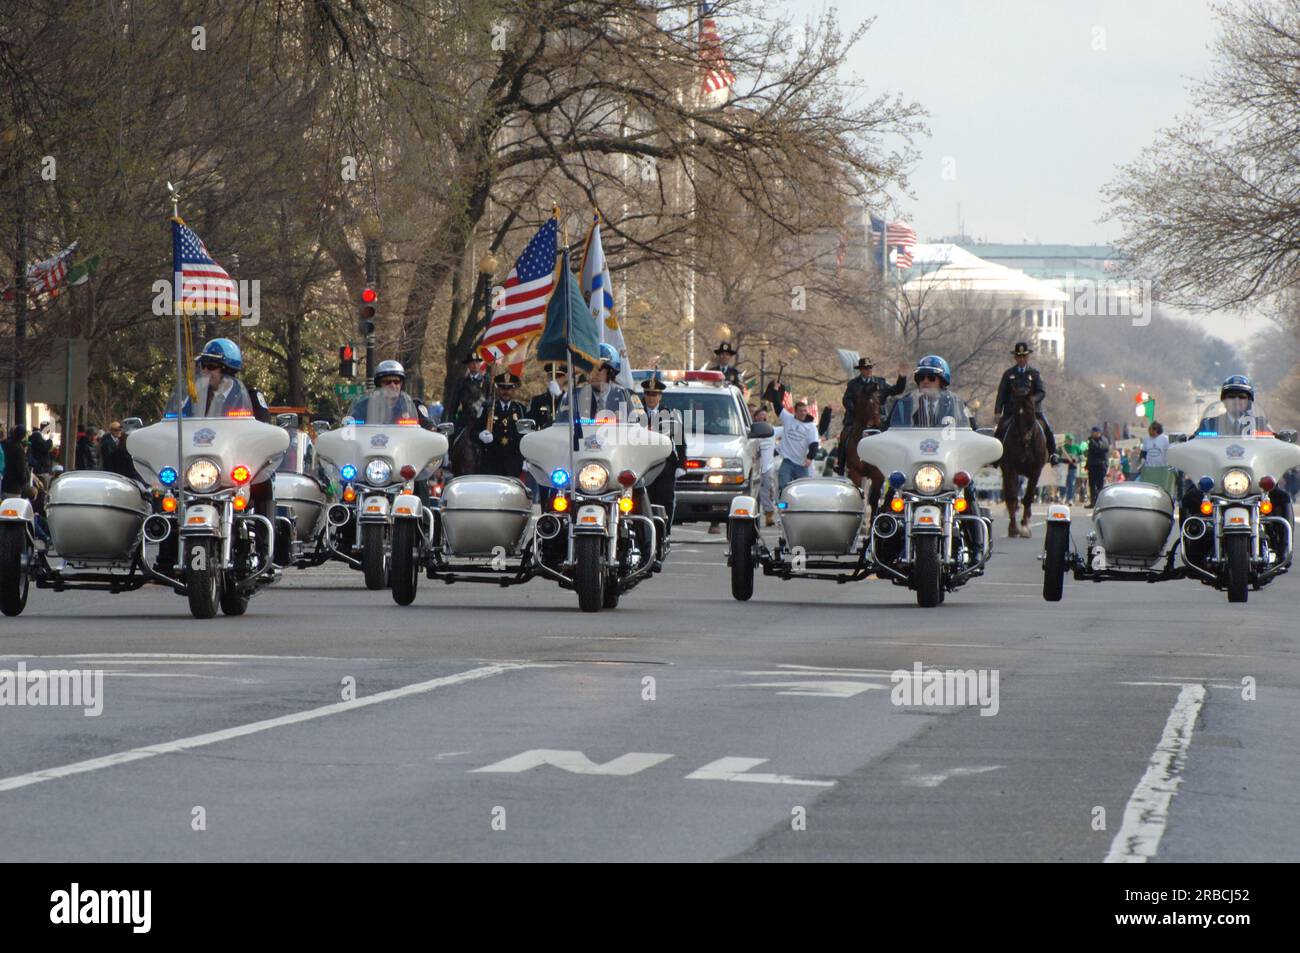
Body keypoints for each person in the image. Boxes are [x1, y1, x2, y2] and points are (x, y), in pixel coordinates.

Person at [835, 357, 907, 473]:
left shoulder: (881, 382)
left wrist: (902, 377)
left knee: (891, 437)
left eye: (869, 368)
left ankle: (895, 464)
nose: (868, 370)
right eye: (865, 368)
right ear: (860, 370)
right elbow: (846, 400)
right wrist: (856, 411)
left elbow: (897, 390)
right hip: (857, 419)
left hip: (878, 418)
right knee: (845, 435)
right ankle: (841, 464)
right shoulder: (853, 384)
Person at [994, 342, 1059, 464]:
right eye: (1019, 356)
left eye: (1024, 356)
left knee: (1047, 428)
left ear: (1028, 357)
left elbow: (1041, 391)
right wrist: (997, 411)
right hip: (1012, 410)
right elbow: (1001, 393)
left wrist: (1031, 401)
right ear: (1015, 357)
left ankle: (1053, 454)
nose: (1022, 359)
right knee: (1000, 429)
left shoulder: (1034, 374)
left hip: (1032, 410)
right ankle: (996, 457)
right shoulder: (1009, 374)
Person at [180, 338, 271, 422]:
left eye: (211, 366)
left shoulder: (250, 398)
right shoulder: (197, 397)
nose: (205, 370)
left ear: (228, 370)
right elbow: (181, 423)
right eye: (203, 365)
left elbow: (264, 429)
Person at [639, 375, 687, 534]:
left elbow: (680, 442)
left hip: (665, 463)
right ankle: (644, 532)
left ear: (660, 396)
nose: (651, 398)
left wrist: (681, 465)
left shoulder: (670, 414)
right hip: (643, 463)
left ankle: (664, 532)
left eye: (654, 394)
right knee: (644, 499)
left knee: (665, 499)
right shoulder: (635, 414)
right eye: (648, 394)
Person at [762, 376, 819, 495]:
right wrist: (776, 390)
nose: (803, 413)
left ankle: (799, 508)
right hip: (787, 461)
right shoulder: (788, 419)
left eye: (805, 411)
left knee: (802, 490)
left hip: (802, 464)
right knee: (783, 486)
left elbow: (814, 443)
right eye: (800, 411)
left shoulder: (810, 426)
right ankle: (783, 507)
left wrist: (810, 457)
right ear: (795, 411)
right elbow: (777, 405)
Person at [886, 355, 973, 428]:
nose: (925, 381)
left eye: (931, 377)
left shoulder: (957, 404)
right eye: (921, 377)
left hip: (949, 447)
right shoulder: (904, 404)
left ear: (942, 381)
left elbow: (974, 432)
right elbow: (887, 432)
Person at [557, 344, 634, 421]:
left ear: (610, 372)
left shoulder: (624, 395)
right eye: (590, 369)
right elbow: (563, 426)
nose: (594, 373)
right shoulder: (573, 396)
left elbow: (640, 423)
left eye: (599, 368)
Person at [348, 360, 434, 429]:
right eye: (387, 382)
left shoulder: (413, 406)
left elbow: (429, 428)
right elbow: (350, 427)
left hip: (405, 449)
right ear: (379, 384)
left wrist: (433, 429)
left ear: (401, 384)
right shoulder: (363, 406)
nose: (393, 385)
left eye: (396, 382)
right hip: (370, 449)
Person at [476, 371, 528, 478]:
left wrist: (526, 459)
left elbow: (525, 436)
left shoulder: (520, 409)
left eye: (509, 389)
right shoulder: (488, 408)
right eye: (503, 388)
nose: (506, 392)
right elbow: (473, 431)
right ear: (498, 390)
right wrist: (481, 435)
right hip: (491, 462)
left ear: (514, 390)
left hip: (513, 463)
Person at [447, 352, 489, 440]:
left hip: (482, 421)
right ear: (468, 365)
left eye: (477, 362)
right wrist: (452, 420)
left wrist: (488, 402)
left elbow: (491, 399)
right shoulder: (461, 382)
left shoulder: (486, 382)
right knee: (454, 440)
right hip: (466, 420)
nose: (475, 365)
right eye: (472, 362)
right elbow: (454, 404)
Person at [753, 407, 777, 526]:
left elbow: (788, 430)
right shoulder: (749, 430)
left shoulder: (771, 430)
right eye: (760, 415)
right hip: (753, 467)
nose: (763, 417)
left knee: (768, 491)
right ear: (756, 417)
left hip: (767, 467)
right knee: (753, 493)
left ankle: (769, 516)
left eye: (764, 415)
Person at [527, 362, 567, 430]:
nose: (554, 379)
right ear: (547, 378)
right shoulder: (537, 400)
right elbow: (530, 424)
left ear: (564, 378)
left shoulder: (570, 400)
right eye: (552, 376)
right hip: (543, 437)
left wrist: (559, 396)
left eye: (558, 376)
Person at [1085, 426, 1109, 507]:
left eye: (1095, 432)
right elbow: (1090, 453)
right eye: (1092, 432)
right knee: (1091, 484)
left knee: (1100, 485)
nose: (1093, 434)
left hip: (1100, 465)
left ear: (1099, 433)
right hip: (1092, 465)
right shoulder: (1090, 441)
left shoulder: (1103, 440)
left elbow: (1100, 448)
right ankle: (1093, 502)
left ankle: (1100, 502)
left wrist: (1092, 442)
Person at [2, 427, 30, 496]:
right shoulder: (19, 449)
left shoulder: (5, 444)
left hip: (4, 482)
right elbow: (21, 468)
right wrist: (24, 479)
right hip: (14, 487)